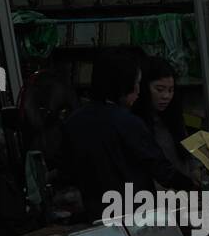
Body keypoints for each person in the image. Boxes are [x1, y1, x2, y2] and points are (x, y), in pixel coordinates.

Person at [61, 50, 192, 217]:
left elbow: (67, 170)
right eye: (136, 83)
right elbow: (160, 169)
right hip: (135, 214)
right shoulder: (127, 122)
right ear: (122, 85)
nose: (138, 90)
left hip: (96, 214)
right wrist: (192, 186)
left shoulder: (74, 121)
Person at [133, 56, 193, 182]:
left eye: (171, 90)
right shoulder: (136, 123)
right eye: (159, 89)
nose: (166, 96)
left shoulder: (174, 118)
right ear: (144, 88)